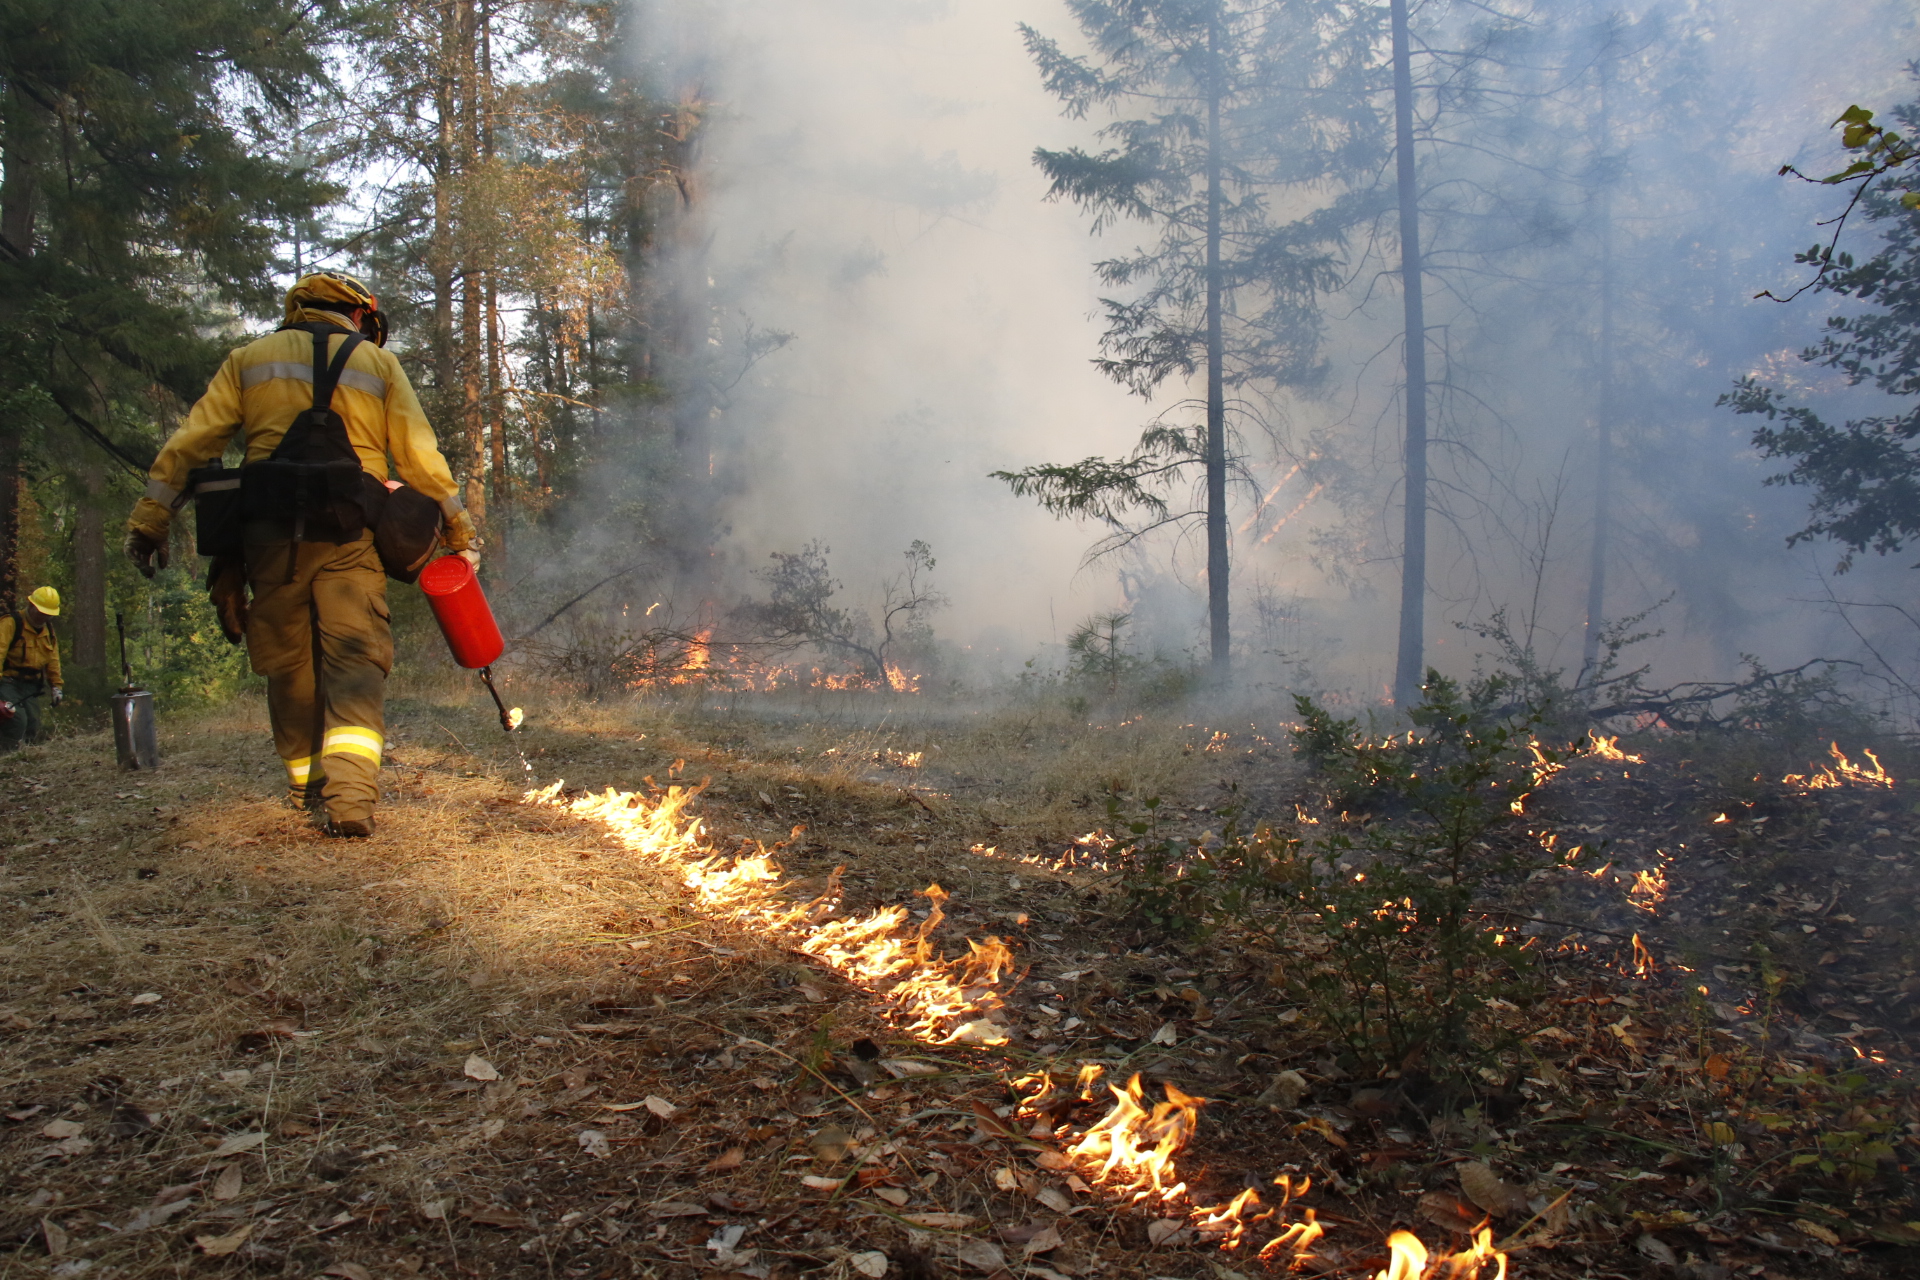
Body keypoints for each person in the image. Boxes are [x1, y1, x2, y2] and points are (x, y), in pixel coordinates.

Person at [123, 272, 479, 836]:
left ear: (298, 310)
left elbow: (193, 443)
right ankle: (352, 804)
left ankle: (305, 783)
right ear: (358, 315)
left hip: (269, 540)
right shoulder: (378, 364)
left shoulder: (248, 358)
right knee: (356, 662)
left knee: (288, 664)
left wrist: (150, 521)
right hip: (351, 537)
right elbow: (417, 454)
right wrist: (458, 528)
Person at [0, 586, 65, 751]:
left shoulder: (48, 631)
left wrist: (56, 686)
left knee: (33, 722)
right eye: (41, 612)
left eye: (48, 614)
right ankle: (7, 761)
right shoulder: (11, 623)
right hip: (8, 681)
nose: (44, 616)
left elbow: (53, 659)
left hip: (30, 685)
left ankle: (27, 760)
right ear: (31, 606)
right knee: (16, 720)